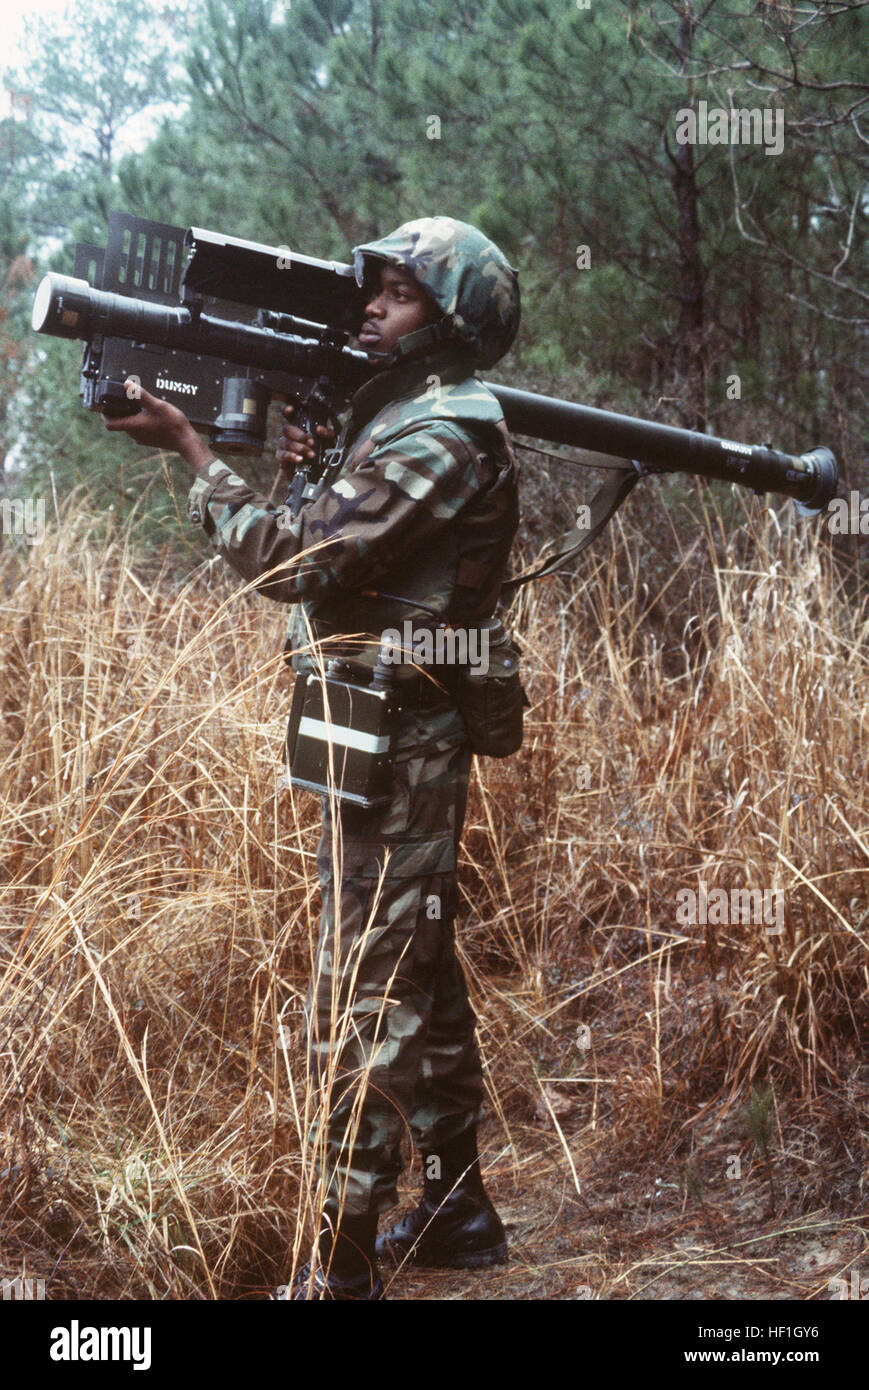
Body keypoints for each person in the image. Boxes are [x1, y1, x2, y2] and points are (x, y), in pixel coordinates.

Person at [104, 217, 521, 1300]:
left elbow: (296, 563)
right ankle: (457, 1207)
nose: (371, 304)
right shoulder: (394, 418)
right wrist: (297, 464)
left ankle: (338, 1263)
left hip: (406, 737)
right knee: (412, 964)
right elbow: (331, 550)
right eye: (373, 286)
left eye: (400, 293)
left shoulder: (441, 434)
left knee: (363, 993)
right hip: (362, 725)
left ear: (451, 322)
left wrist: (196, 455)